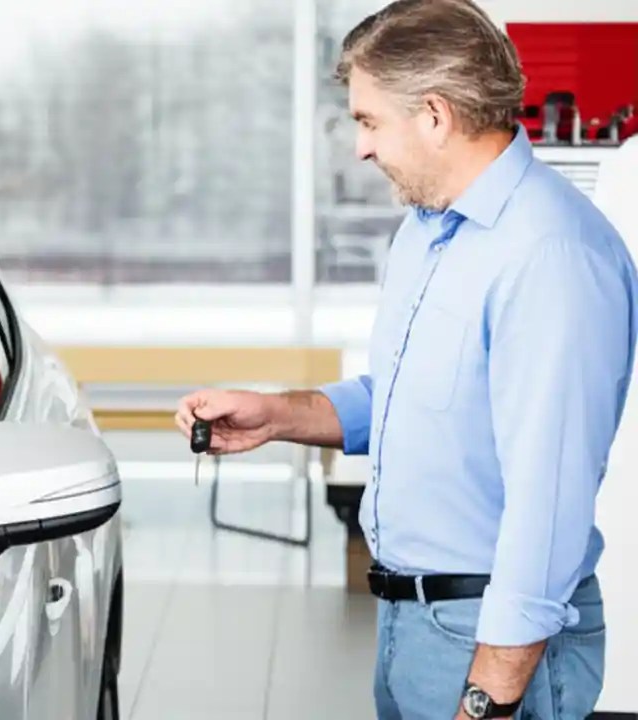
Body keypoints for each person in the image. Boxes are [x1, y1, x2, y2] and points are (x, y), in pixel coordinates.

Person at [176, 1, 638, 718]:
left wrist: (490, 700)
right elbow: (406, 399)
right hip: (413, 624)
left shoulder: (551, 254)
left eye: (368, 121)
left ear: (434, 115)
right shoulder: (427, 230)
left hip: (490, 638)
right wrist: (276, 416)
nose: (360, 148)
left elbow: (549, 504)